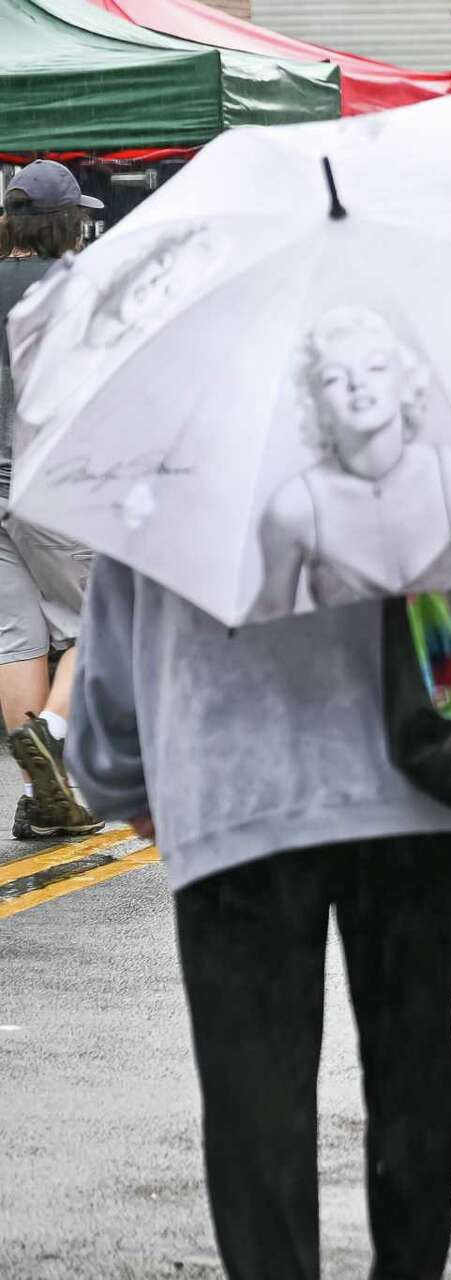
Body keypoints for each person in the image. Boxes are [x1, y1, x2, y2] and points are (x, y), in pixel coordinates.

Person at [69, 564, 451, 1279]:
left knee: (256, 1105)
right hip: (415, 773)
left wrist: (125, 778)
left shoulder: (171, 463)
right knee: (415, 1063)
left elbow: (111, 654)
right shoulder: (419, 448)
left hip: (234, 782)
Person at [251, 305, 451, 619]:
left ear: (406, 381)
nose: (357, 383)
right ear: (316, 404)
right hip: (347, 668)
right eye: (332, 377)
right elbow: (268, 619)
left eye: (375, 367)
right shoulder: (294, 508)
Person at [0, 160, 104, 839]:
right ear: (67, 223)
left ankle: (50, 799)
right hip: (55, 483)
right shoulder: (77, 292)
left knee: (15, 641)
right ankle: (57, 732)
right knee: (104, 620)